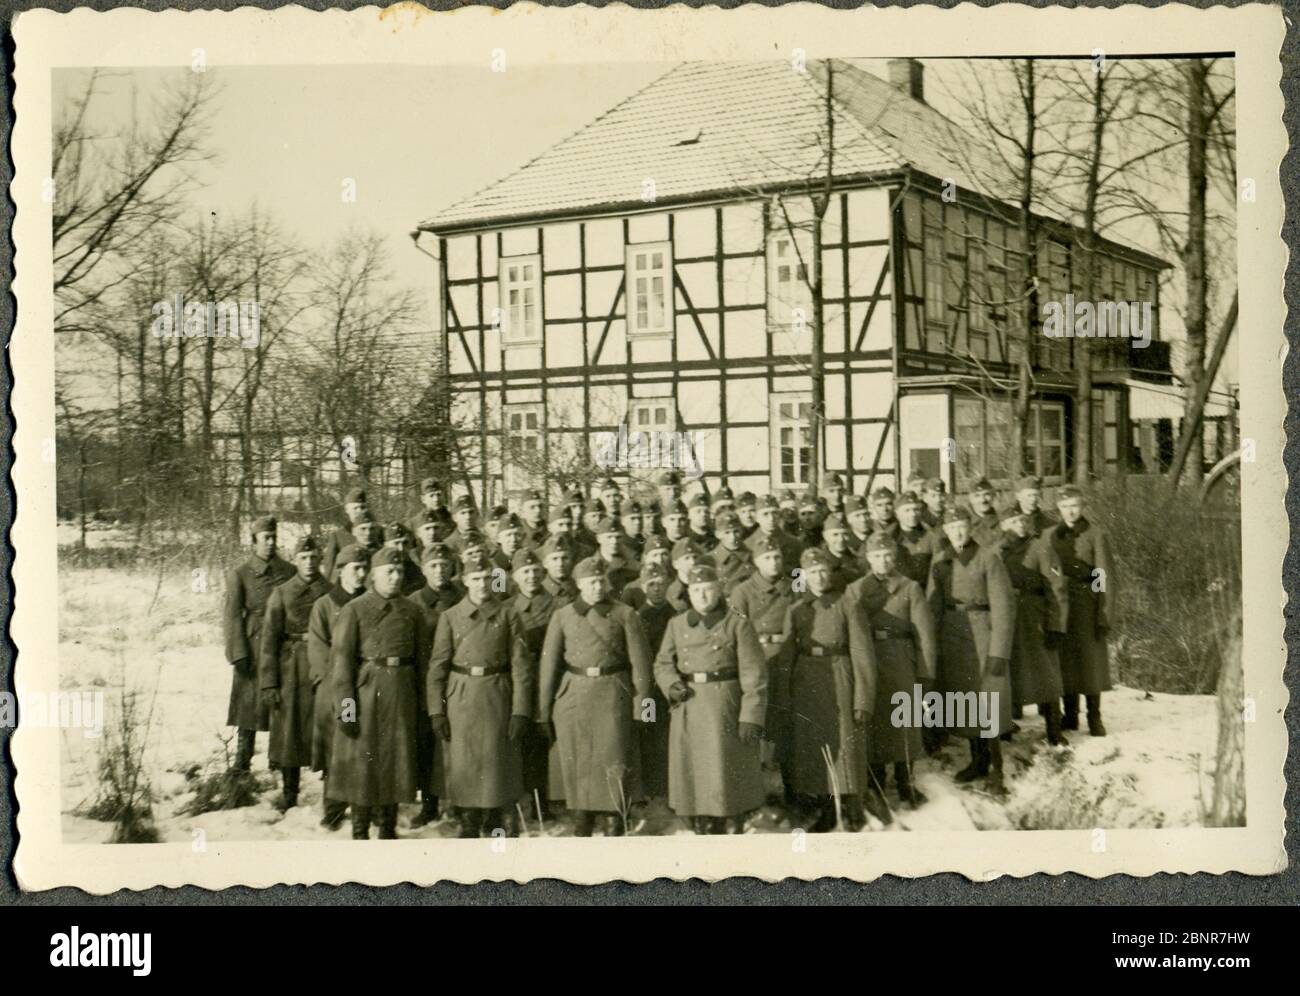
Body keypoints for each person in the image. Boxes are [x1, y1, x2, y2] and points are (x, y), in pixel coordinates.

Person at [537, 556, 654, 836]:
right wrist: (542, 711)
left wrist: (644, 709)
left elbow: (642, 665)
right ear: (578, 585)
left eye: (601, 581)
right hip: (574, 694)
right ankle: (582, 815)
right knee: (577, 758)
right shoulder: (563, 615)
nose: (597, 587)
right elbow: (549, 666)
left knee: (612, 756)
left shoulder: (625, 614)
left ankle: (614, 816)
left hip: (613, 692)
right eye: (591, 582)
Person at [653, 564, 768, 834]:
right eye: (696, 591)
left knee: (725, 768)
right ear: (688, 593)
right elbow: (662, 663)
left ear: (719, 590)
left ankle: (733, 819)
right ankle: (700, 818)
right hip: (690, 703)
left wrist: (751, 716)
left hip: (725, 703)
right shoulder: (677, 624)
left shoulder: (737, 623)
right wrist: (671, 685)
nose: (702, 596)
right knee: (694, 767)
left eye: (708, 589)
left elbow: (755, 675)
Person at [427, 552, 533, 838]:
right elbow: (437, 666)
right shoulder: (449, 617)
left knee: (496, 759)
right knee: (465, 759)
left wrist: (521, 710)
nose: (482, 584)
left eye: (487, 578)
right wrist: (436, 710)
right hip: (460, 695)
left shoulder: (509, 615)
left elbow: (521, 667)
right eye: (475, 578)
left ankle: (496, 816)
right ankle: (468, 819)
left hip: (497, 693)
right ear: (464, 581)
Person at [328, 547, 431, 839]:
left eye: (399, 572)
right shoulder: (355, 610)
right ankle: (360, 830)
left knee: (396, 762)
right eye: (389, 572)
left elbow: (423, 662)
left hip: (402, 694)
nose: (396, 577)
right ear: (373, 575)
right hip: (367, 695)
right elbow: (342, 665)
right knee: (365, 764)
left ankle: (388, 827)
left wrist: (425, 706)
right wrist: (347, 710)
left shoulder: (413, 611)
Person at [786, 547, 881, 830]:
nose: (818, 577)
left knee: (847, 742)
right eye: (812, 573)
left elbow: (863, 654)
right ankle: (828, 807)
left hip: (841, 676)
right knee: (817, 743)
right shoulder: (796, 610)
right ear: (803, 576)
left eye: (823, 571)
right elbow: (787, 657)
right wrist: (786, 697)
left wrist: (863, 699)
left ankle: (853, 806)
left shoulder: (848, 605)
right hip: (808, 682)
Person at [927, 507, 1015, 796]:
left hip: (982, 634)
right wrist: (933, 645)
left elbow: (1004, 607)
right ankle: (978, 759)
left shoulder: (988, 559)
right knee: (966, 702)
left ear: (970, 527)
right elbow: (933, 605)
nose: (958, 533)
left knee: (989, 700)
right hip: (953, 637)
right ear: (946, 531)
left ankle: (996, 768)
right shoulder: (940, 562)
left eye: (962, 526)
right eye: (952, 528)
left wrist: (999, 651)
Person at [846, 534, 936, 810]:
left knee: (904, 722)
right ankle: (876, 784)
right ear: (868, 559)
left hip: (900, 659)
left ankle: (905, 781)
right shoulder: (855, 590)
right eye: (876, 555)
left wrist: (925, 673)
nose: (882, 561)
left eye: (887, 555)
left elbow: (924, 634)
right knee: (874, 722)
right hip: (869, 658)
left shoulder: (910, 588)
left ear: (894, 558)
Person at [260, 534, 330, 812]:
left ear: (321, 559)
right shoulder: (282, 592)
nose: (310, 563)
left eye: (314, 557)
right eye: (303, 558)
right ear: (295, 559)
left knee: (328, 727)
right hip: (290, 669)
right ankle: (290, 792)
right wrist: (268, 683)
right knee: (289, 732)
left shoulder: (331, 591)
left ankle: (333, 793)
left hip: (322, 665)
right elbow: (269, 642)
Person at [727, 533, 797, 807]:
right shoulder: (742, 592)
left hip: (787, 661)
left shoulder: (793, 587)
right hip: (757, 661)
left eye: (777, 556)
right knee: (759, 725)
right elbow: (735, 634)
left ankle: (791, 789)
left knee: (786, 726)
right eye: (767, 558)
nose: (774, 562)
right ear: (756, 562)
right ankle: (756, 792)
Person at [223, 515, 295, 772]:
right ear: (254, 542)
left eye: (274, 537)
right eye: (266, 538)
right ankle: (243, 760)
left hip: (281, 646)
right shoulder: (240, 574)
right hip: (252, 648)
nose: (271, 543)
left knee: (280, 702)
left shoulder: (289, 571)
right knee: (248, 706)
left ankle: (278, 759)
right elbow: (231, 616)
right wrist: (238, 653)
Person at [306, 543, 368, 830]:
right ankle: (333, 809)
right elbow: (319, 651)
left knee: (364, 746)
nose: (361, 574)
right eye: (356, 568)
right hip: (335, 689)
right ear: (341, 570)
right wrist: (337, 685)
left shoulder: (370, 602)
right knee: (336, 749)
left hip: (366, 687)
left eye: (365, 569)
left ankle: (365, 806)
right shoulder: (325, 605)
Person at [998, 507, 1071, 746]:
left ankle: (1053, 728)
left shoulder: (1041, 547)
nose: (1019, 525)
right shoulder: (995, 551)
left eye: (1022, 521)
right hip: (1006, 619)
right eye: (1012, 521)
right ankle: (1005, 725)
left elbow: (1057, 586)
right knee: (1008, 673)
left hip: (1034, 617)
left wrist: (1056, 626)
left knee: (1046, 672)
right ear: (1002, 525)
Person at [405, 542, 462, 828]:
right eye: (433, 566)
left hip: (460, 681)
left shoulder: (463, 597)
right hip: (424, 680)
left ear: (452, 567)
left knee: (459, 741)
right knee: (427, 743)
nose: (440, 571)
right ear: (424, 569)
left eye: (444, 565)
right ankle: (429, 804)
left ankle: (461, 801)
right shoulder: (413, 602)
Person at [1049, 486, 1114, 736]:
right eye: (1065, 506)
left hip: (1087, 605)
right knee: (1066, 660)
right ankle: (1070, 714)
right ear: (1058, 508)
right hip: (1063, 605)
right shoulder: (1053, 535)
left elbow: (1102, 574)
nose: (1070, 511)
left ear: (1083, 505)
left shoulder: (1095, 534)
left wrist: (1102, 610)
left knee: (1090, 662)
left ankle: (1094, 717)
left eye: (1074, 505)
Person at [510, 547, 560, 818]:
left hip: (547, 680)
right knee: (521, 741)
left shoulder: (557, 606)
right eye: (524, 572)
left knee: (544, 741)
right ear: (515, 577)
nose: (531, 576)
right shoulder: (508, 608)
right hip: (519, 683)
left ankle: (543, 802)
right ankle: (521, 799)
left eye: (534, 571)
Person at [631, 562, 675, 802]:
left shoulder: (676, 616)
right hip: (646, 690)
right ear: (642, 586)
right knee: (647, 734)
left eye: (661, 583)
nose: (657, 589)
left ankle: (666, 787)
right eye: (651, 584)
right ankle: (648, 789)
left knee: (666, 735)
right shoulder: (636, 618)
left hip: (667, 688)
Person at [894, 490, 942, 587]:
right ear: (897, 513)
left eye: (916, 510)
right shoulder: (890, 537)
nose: (912, 514)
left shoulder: (931, 537)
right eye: (907, 510)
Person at [322, 487, 370, 580]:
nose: (359, 511)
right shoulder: (338, 535)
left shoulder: (378, 532)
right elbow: (329, 567)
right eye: (355, 508)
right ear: (347, 510)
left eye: (362, 507)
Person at [746, 494, 803, 567]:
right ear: (757, 518)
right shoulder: (748, 545)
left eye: (774, 513)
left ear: (779, 515)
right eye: (765, 514)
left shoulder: (795, 544)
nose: (771, 518)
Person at [620, 534, 672, 611]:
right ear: (646, 558)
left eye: (664, 554)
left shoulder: (675, 582)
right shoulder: (633, 588)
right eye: (655, 555)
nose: (660, 560)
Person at [592, 517, 638, 597]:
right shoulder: (591, 567)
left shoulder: (633, 563)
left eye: (618, 537)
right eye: (609, 537)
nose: (614, 541)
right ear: (599, 539)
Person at [710, 511, 754, 594]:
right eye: (727, 532)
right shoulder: (709, 560)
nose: (732, 537)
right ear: (717, 534)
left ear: (741, 531)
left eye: (736, 531)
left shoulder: (754, 556)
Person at [819, 513, 863, 597]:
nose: (841, 539)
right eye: (835, 534)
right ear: (825, 536)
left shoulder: (858, 560)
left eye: (845, 534)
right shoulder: (820, 563)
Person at [407, 477, 454, 546]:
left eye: (439, 494)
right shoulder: (414, 523)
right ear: (423, 499)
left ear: (443, 496)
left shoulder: (453, 519)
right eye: (431, 496)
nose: (436, 499)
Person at [540, 535, 578, 607]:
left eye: (565, 558)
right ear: (545, 563)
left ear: (571, 560)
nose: (560, 564)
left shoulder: (578, 587)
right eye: (554, 559)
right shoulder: (540, 591)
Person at [442, 495, 483, 560]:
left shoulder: (485, 540)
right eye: (463, 513)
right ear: (455, 518)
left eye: (471, 512)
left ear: (476, 514)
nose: (468, 517)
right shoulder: (448, 545)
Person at [965, 478, 1002, 548]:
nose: (983, 500)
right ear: (970, 499)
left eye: (986, 494)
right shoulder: (965, 524)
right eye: (977, 495)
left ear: (993, 496)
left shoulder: (1003, 522)